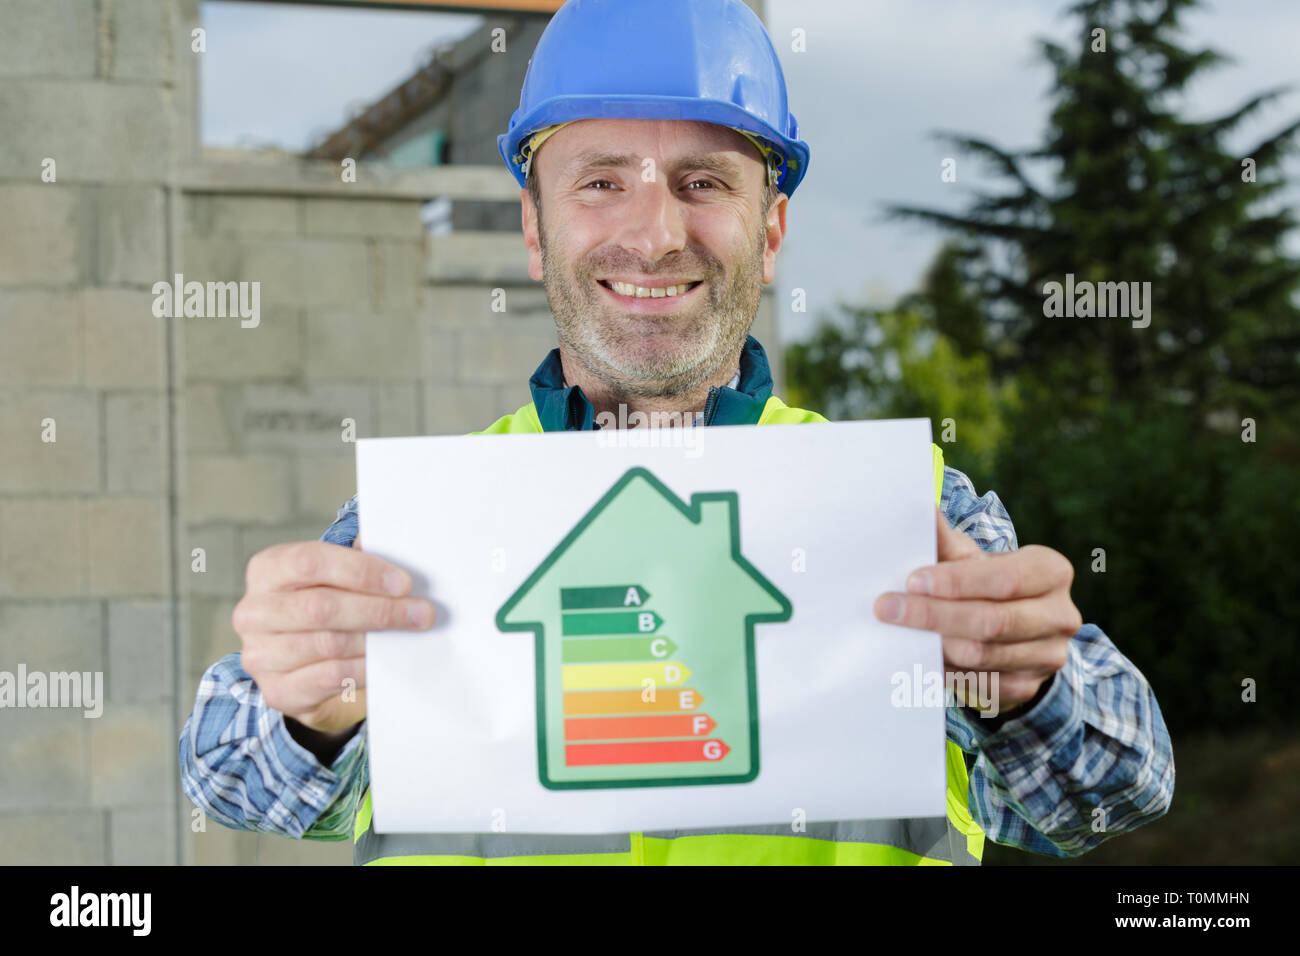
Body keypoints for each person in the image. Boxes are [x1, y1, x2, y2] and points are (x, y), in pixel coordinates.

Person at [180, 0, 1173, 865]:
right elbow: (228, 774)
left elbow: (1116, 787)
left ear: (771, 232)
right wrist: (302, 707)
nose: (654, 234)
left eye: (702, 182)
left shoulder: (912, 507)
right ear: (533, 232)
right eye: (601, 181)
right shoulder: (417, 525)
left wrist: (1025, 688)